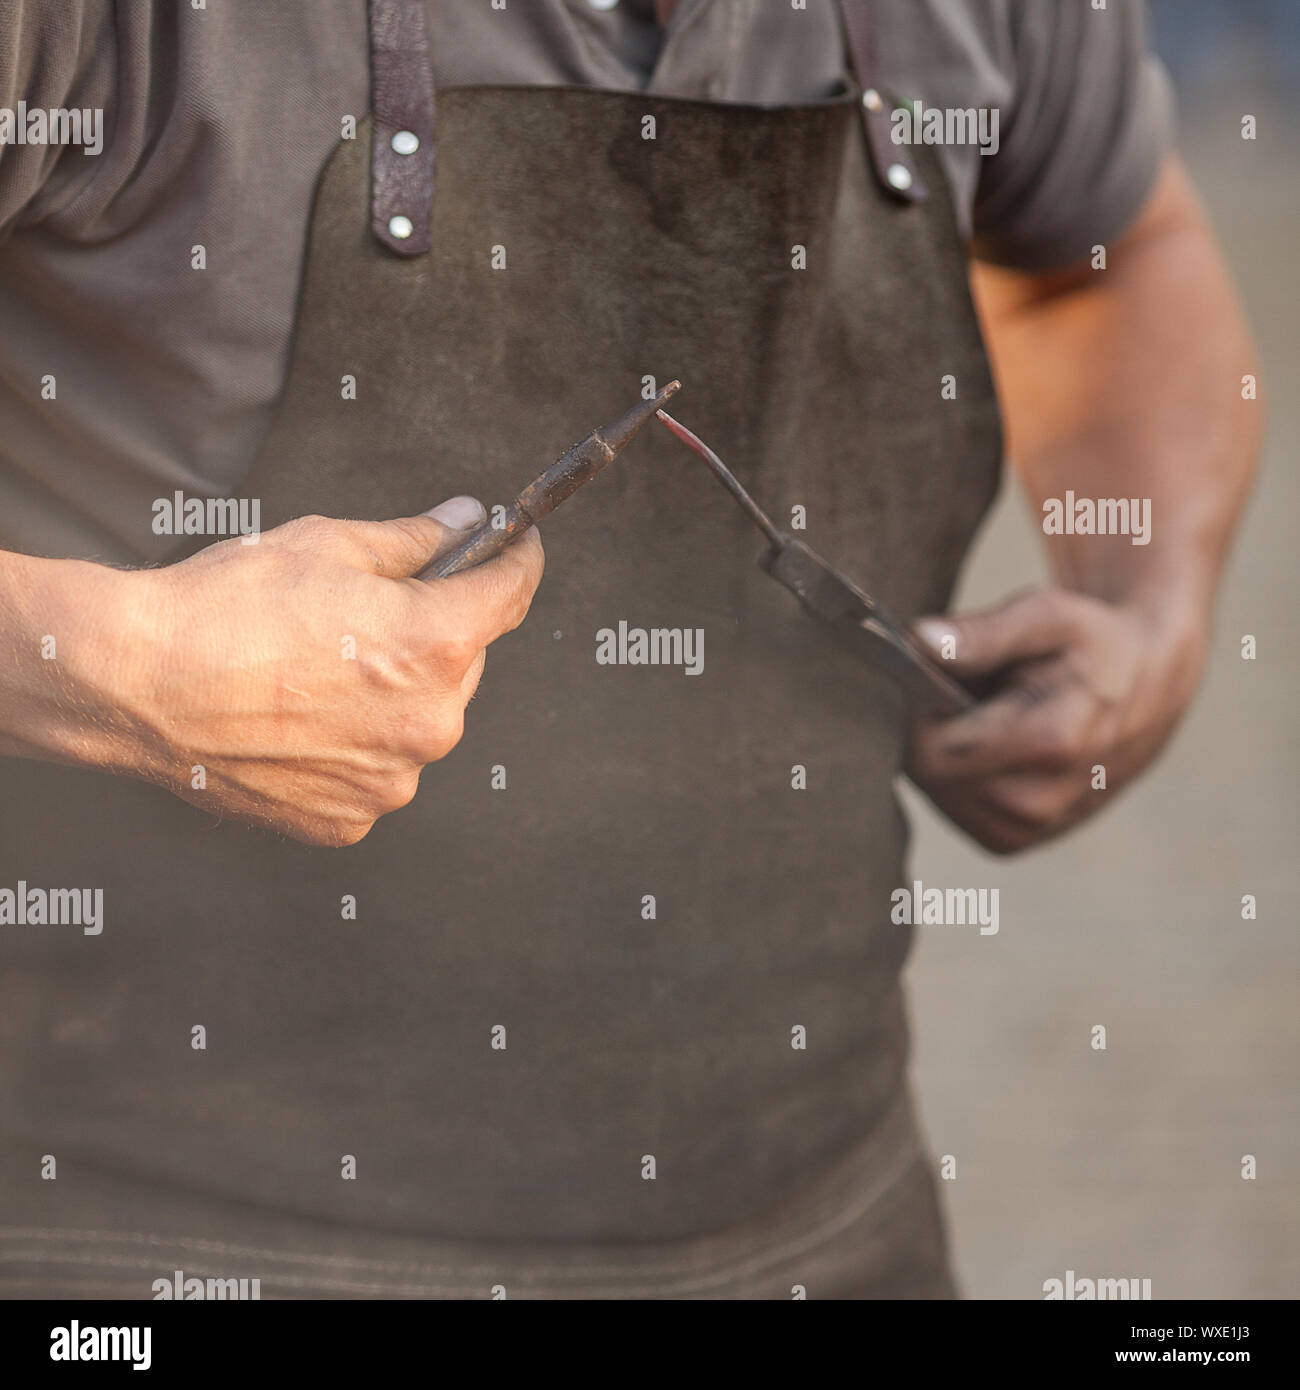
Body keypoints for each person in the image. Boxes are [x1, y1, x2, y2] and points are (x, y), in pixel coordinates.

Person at [0, 0, 1257, 1299]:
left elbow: (1117, 252)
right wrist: (113, 666)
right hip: (153, 1226)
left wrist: (1152, 603)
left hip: (824, 1207)